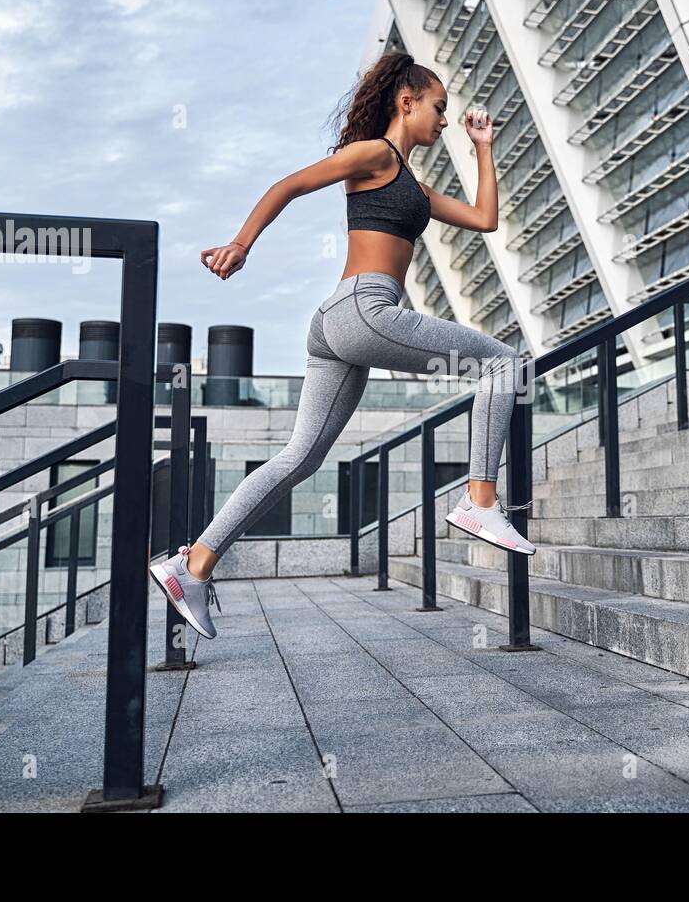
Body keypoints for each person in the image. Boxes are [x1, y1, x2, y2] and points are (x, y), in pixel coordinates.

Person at [148, 52, 535, 640]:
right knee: (503, 364)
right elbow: (292, 184)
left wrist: (483, 146)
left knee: (299, 457)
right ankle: (480, 499)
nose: (445, 120)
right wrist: (241, 244)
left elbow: (485, 219)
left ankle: (192, 565)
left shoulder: (415, 185)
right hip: (364, 309)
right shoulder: (376, 155)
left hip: (339, 325)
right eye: (439, 108)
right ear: (406, 102)